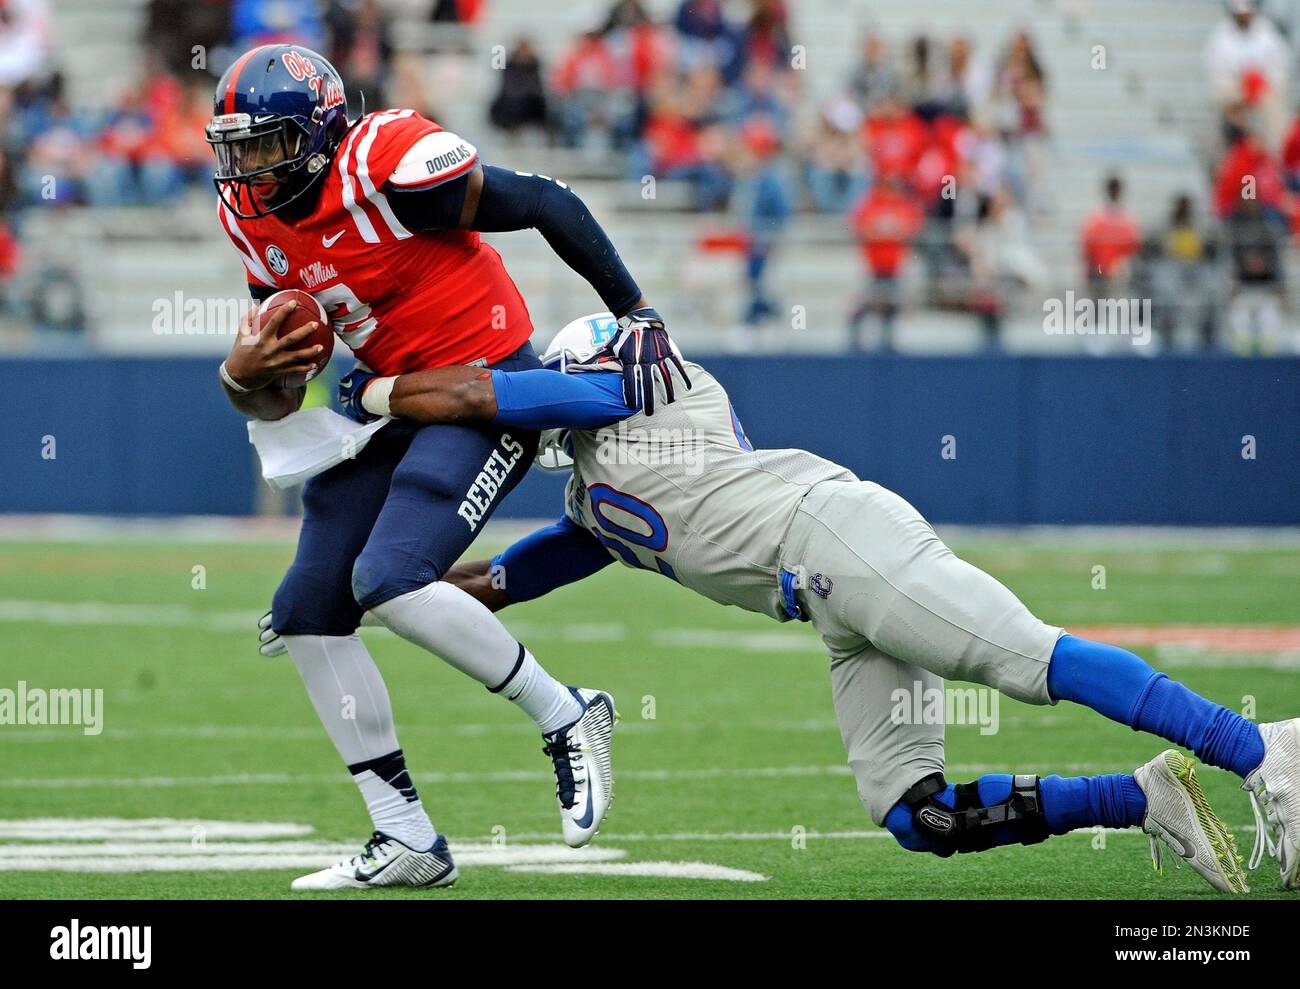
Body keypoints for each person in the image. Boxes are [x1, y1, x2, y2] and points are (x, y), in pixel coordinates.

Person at [264, 313, 1300, 894]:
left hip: (840, 535)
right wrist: (348, 592)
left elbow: (529, 395)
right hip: (832, 609)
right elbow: (498, 578)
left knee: (1021, 658)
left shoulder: (649, 381)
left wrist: (373, 394)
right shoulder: (592, 498)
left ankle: (1257, 749)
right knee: (918, 815)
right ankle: (1140, 796)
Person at [206, 44, 686, 889]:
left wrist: (635, 308)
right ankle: (406, 837)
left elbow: (547, 201)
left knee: (391, 575)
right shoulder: (252, 217)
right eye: (235, 148)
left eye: (265, 145)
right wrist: (241, 381)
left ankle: (567, 713)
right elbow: (281, 387)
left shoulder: (387, 165)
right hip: (388, 397)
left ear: (318, 135)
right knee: (307, 611)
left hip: (484, 387)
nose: (246, 167)